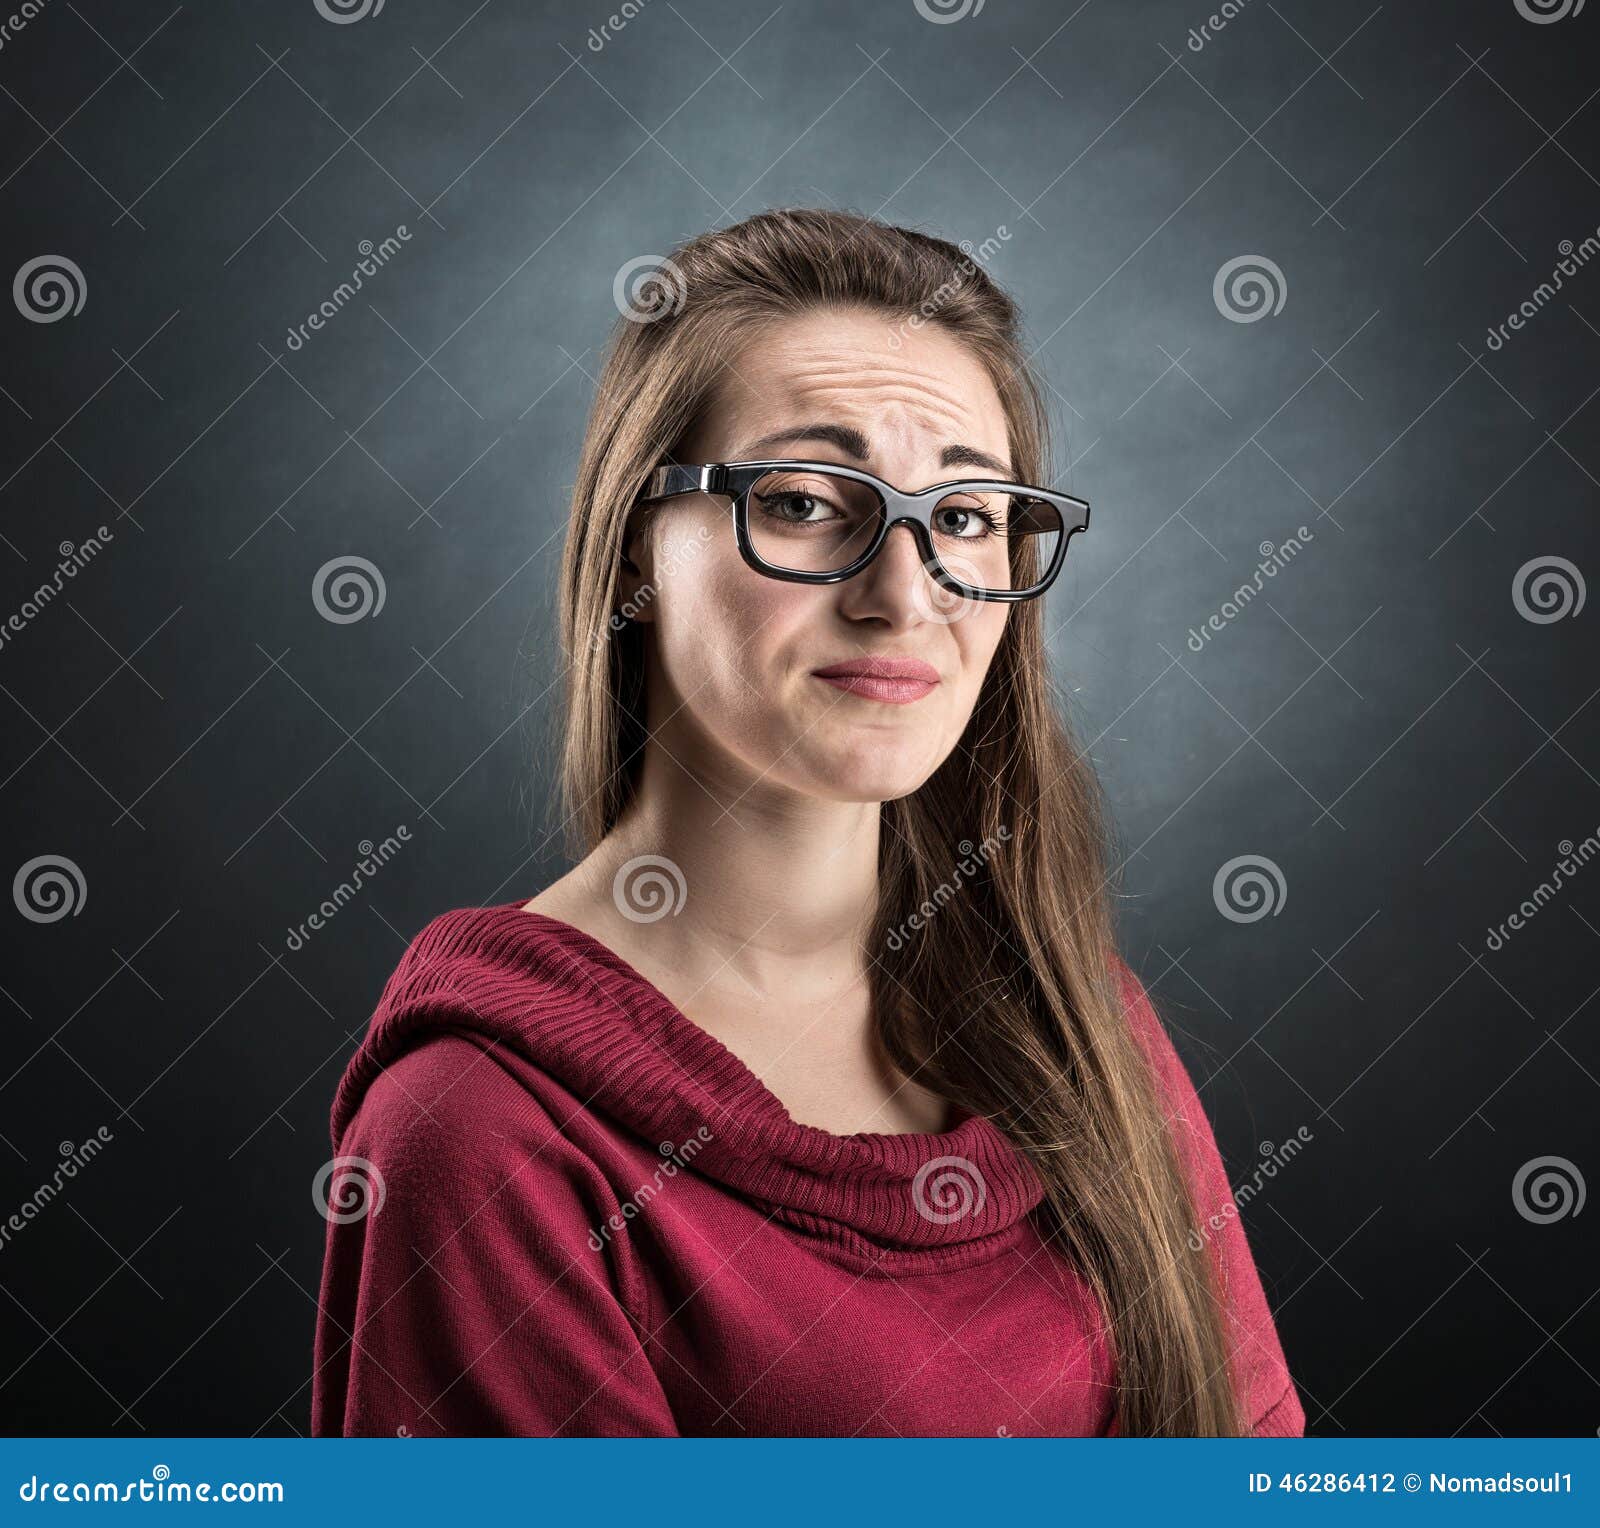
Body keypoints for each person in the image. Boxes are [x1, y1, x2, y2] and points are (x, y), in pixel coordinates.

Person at [310, 207, 1305, 1438]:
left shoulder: (1080, 1024)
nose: (904, 594)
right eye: (799, 502)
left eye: (961, 514)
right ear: (634, 548)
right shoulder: (480, 1133)